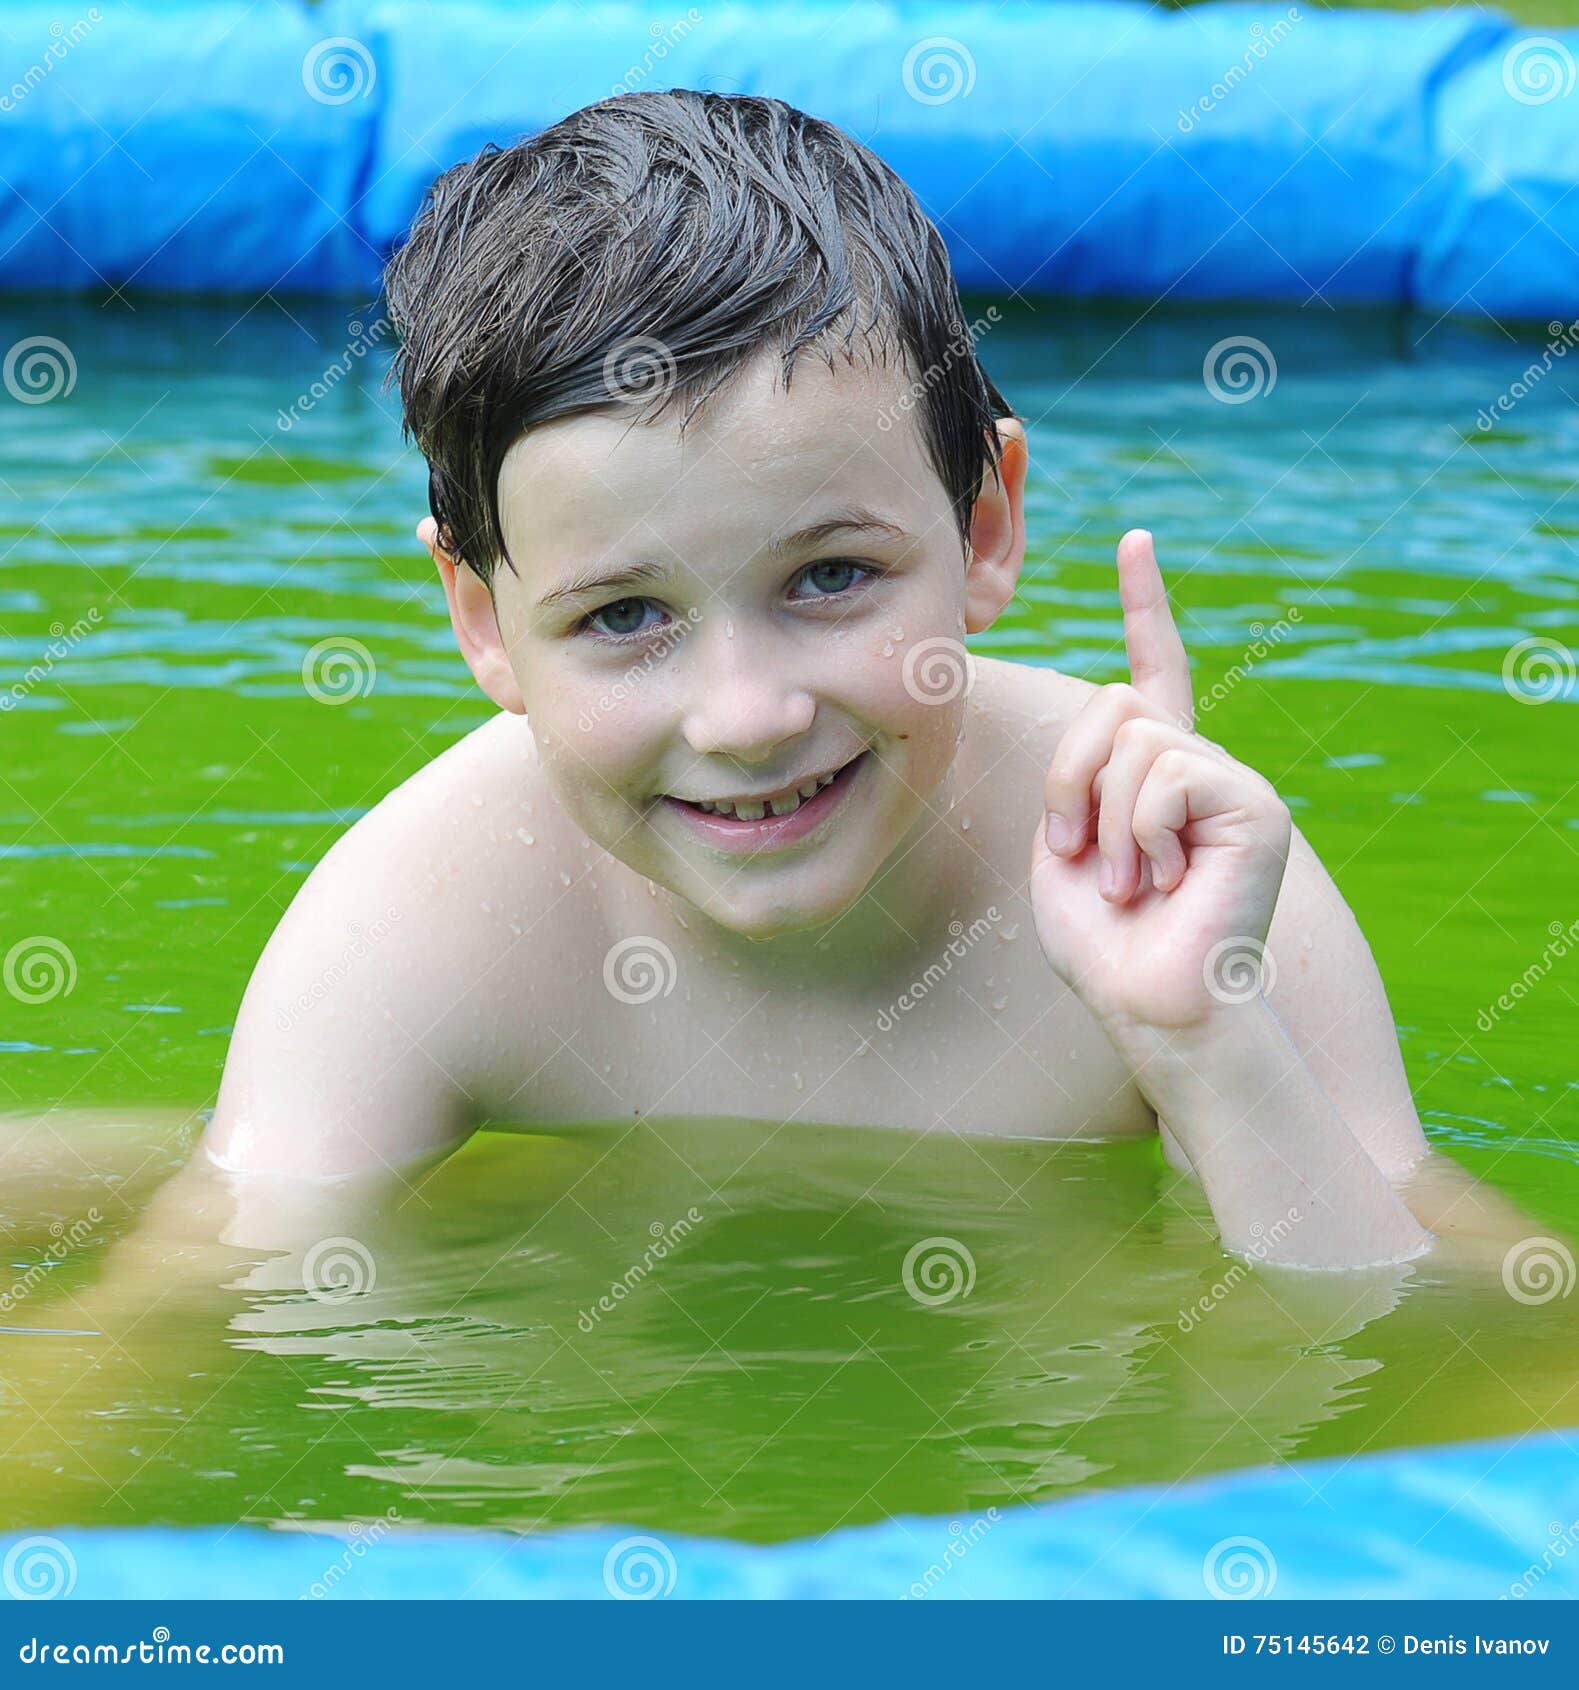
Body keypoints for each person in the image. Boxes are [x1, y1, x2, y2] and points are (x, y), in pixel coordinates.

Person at [195, 89, 1535, 1271]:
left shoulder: (1181, 871)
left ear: (985, 528)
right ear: (485, 623)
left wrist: (1208, 1047)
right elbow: (208, 1303)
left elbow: (1441, 1357)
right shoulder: (420, 918)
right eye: (623, 615)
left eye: (830, 579)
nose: (748, 714)